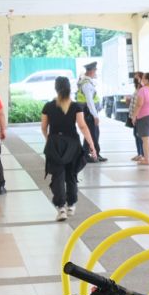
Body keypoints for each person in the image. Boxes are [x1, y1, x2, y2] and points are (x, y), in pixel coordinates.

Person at [41, 75, 98, 221]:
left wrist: (48, 139)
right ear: (69, 88)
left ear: (56, 88)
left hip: (55, 143)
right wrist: (92, 146)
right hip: (72, 143)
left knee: (58, 175)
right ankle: (71, 204)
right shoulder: (76, 106)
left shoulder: (48, 106)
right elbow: (82, 126)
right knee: (71, 174)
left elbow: (44, 127)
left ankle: (61, 208)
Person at [77, 61, 107, 162]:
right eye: (95, 70)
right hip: (89, 112)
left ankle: (91, 154)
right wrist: (95, 116)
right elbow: (90, 102)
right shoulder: (86, 84)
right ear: (91, 71)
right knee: (93, 134)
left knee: (92, 133)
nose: (96, 73)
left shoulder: (86, 81)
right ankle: (90, 155)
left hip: (88, 112)